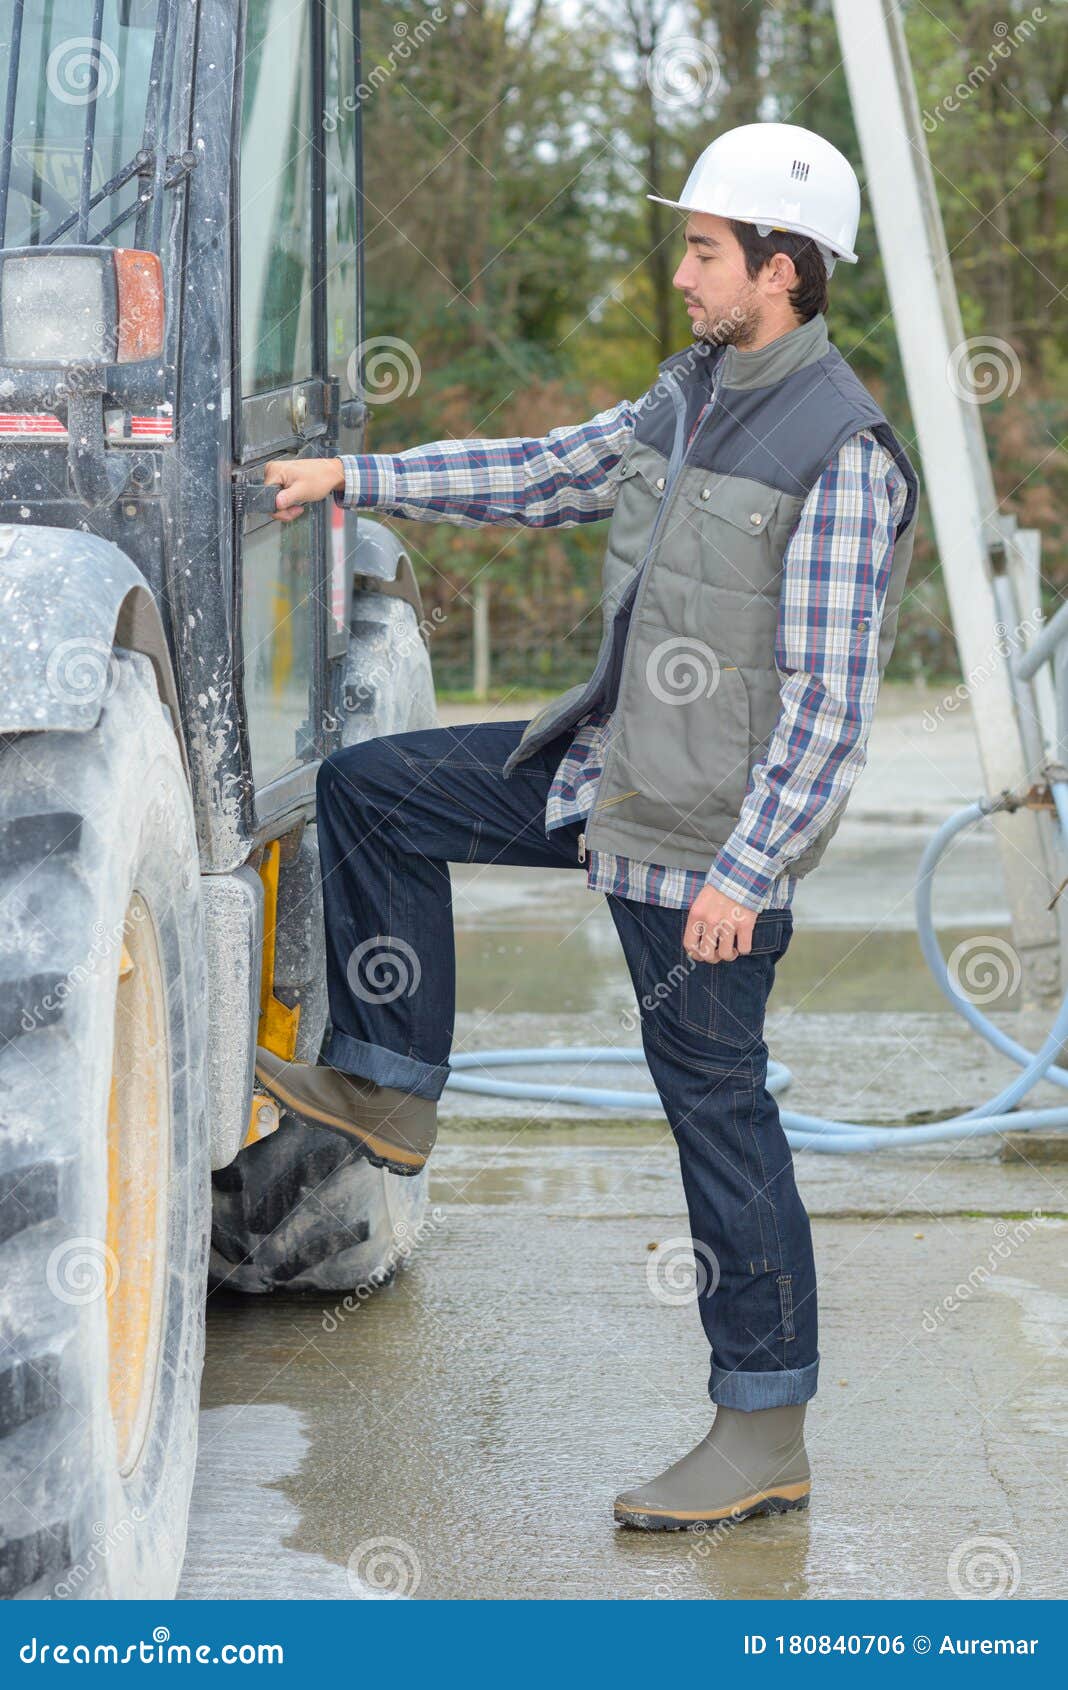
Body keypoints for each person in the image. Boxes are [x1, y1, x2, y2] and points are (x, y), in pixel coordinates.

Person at [256, 121, 920, 1532]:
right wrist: (356, 479)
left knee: (718, 1120)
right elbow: (542, 471)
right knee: (375, 789)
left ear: (782, 270)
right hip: (605, 780)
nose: (682, 271)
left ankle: (762, 1427)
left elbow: (830, 700)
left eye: (704, 249)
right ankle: (390, 1078)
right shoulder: (687, 399)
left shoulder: (840, 453)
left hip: (705, 855)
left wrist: (751, 869)